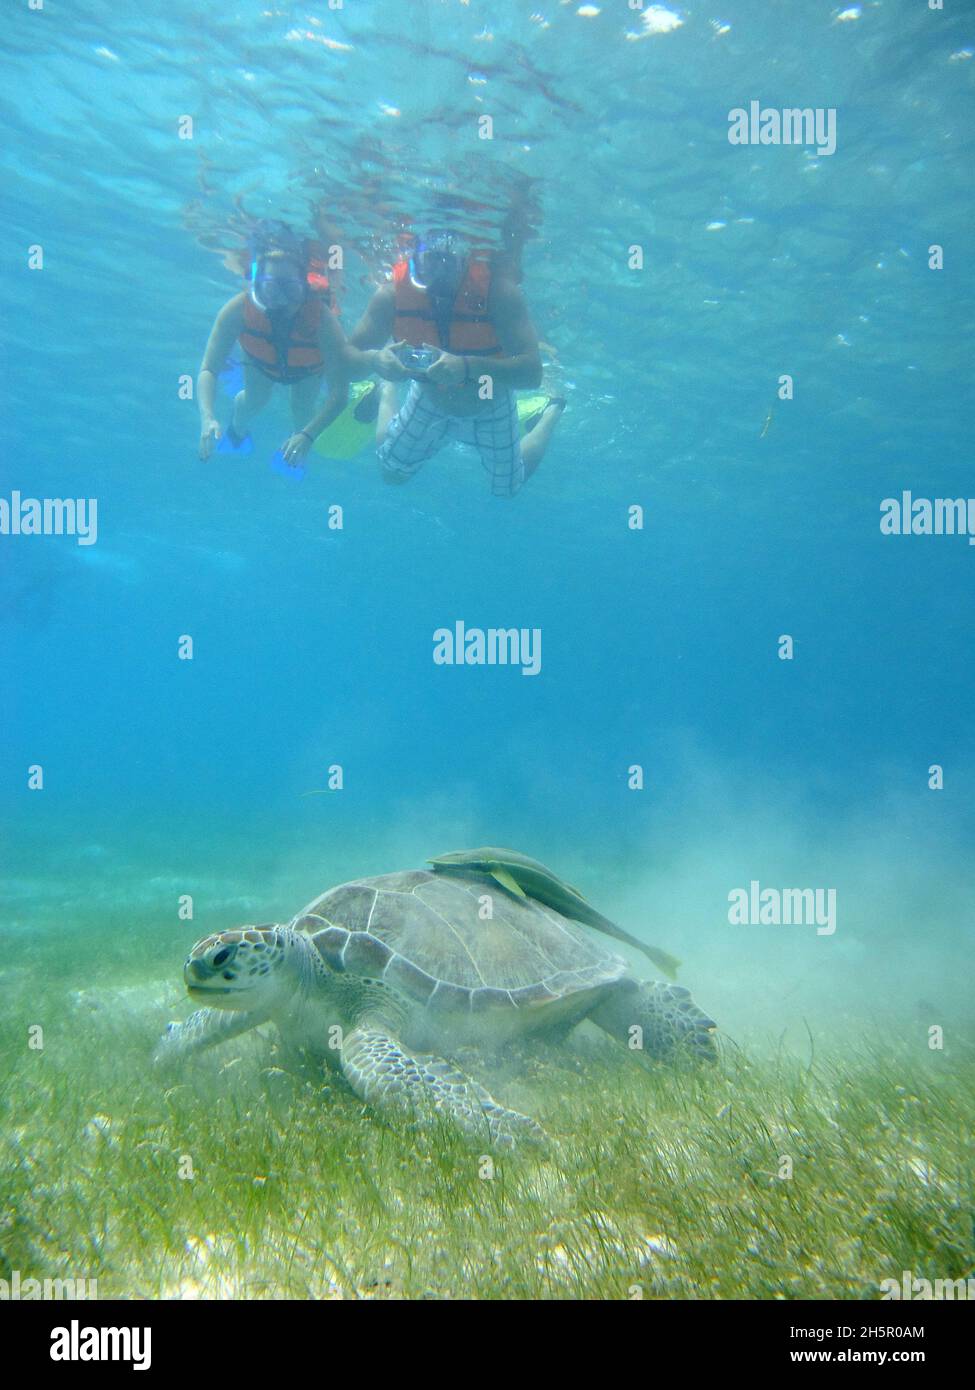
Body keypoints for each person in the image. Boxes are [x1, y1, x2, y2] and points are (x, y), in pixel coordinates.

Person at [347, 232, 564, 496]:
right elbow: (345, 361)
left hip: (489, 401)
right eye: (431, 261)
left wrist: (467, 366)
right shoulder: (390, 296)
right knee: (391, 473)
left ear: (465, 260)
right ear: (414, 258)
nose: (440, 274)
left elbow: (532, 375)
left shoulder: (499, 292)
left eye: (448, 262)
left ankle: (553, 410)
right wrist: (374, 360)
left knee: (508, 488)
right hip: (430, 397)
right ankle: (386, 389)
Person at [197, 220, 350, 468]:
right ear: (257, 284)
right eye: (271, 288)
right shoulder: (236, 310)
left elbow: (340, 393)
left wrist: (307, 436)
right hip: (260, 364)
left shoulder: (322, 318)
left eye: (290, 289)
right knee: (254, 400)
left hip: (307, 371)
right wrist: (207, 417)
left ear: (304, 287)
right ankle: (237, 432)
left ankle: (295, 447)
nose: (281, 301)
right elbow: (209, 368)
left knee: (302, 411)